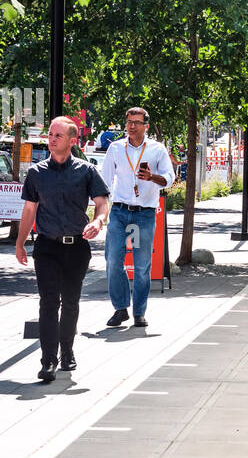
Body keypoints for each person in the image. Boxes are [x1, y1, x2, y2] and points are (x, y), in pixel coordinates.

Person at [15, 116, 109, 381]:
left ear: (72, 140)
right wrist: (20, 243)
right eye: (50, 134)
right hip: (46, 247)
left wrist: (98, 221)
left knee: (70, 301)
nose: (51, 139)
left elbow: (101, 203)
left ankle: (67, 351)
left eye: (57, 135)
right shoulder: (36, 173)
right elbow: (29, 210)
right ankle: (48, 360)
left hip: (76, 247)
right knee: (48, 301)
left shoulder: (86, 170)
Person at [101, 107, 175, 329]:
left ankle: (139, 312)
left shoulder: (156, 150)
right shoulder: (115, 148)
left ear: (146, 126)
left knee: (142, 266)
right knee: (113, 261)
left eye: (137, 122)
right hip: (120, 212)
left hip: (143, 215)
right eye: (129, 122)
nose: (132, 126)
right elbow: (104, 181)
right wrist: (98, 211)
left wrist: (152, 177)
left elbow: (170, 178)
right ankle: (121, 308)